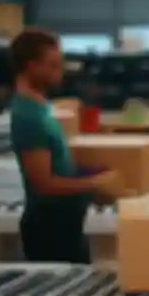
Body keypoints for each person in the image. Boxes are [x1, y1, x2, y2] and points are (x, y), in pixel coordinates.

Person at [9, 29, 121, 263]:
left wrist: (91, 171)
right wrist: (94, 184)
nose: (59, 73)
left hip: (66, 221)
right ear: (32, 67)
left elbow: (59, 165)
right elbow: (44, 184)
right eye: (52, 65)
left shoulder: (42, 108)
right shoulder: (28, 115)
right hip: (49, 228)